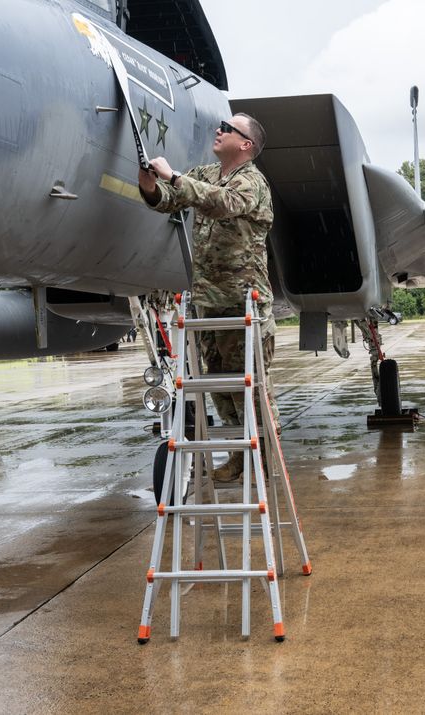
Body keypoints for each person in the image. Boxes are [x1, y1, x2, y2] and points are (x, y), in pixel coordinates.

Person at [138, 113, 275, 482]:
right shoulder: (205, 174)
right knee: (219, 387)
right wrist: (150, 185)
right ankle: (238, 457)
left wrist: (173, 177)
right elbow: (171, 200)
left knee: (250, 388)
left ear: (245, 144)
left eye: (229, 129)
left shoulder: (252, 182)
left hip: (243, 302)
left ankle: (264, 460)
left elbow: (222, 203)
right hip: (209, 302)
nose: (220, 130)